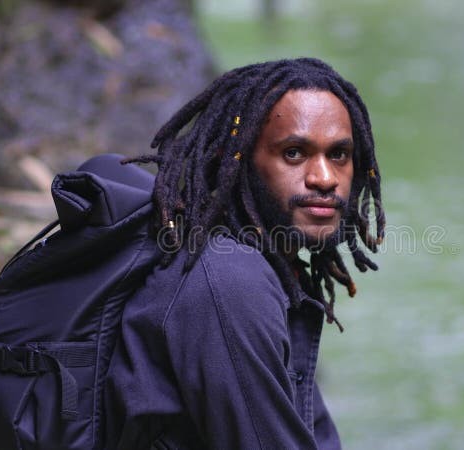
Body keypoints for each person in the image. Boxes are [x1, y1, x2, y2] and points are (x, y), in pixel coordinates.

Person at [105, 58, 386, 449]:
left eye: (339, 154)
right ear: (233, 161)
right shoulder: (230, 284)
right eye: (293, 153)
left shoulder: (271, 268)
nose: (324, 178)